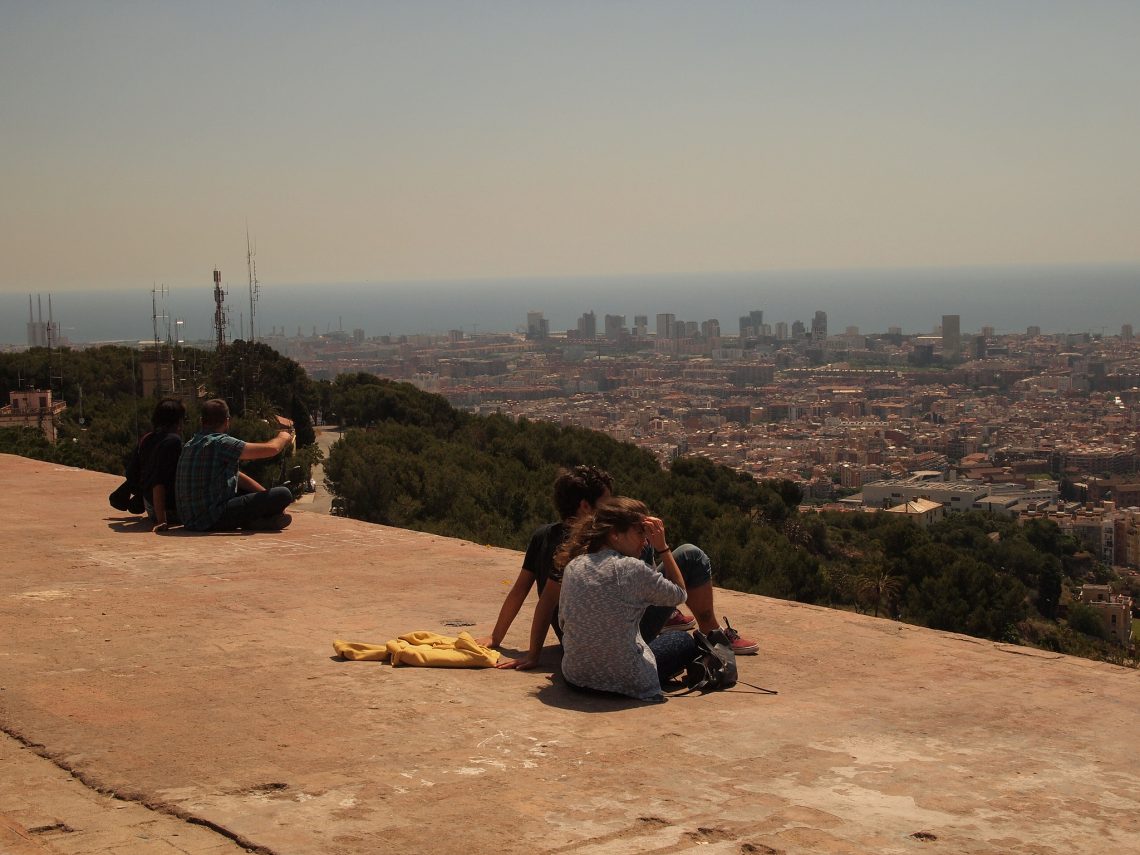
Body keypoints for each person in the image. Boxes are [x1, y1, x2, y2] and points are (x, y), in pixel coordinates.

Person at [484, 466, 757, 669]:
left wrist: (499, 639)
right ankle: (713, 634)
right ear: (585, 506)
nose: (613, 506)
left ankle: (667, 614)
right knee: (690, 556)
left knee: (640, 544)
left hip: (576, 638)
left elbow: (521, 590)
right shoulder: (592, 544)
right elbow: (546, 600)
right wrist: (661, 545)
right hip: (618, 635)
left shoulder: (543, 534)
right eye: (608, 501)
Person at [552, 497, 697, 702]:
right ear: (615, 534)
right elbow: (680, 593)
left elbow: (563, 622)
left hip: (577, 676)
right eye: (640, 533)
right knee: (682, 641)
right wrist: (663, 548)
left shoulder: (574, 566)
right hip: (629, 681)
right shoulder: (630, 569)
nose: (645, 541)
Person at [175, 399, 295, 532]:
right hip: (211, 519)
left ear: (201, 421)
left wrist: (264, 494)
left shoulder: (190, 444)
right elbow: (271, 449)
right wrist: (283, 437)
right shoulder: (220, 442)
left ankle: (259, 522)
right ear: (227, 421)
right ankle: (255, 522)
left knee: (250, 491)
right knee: (283, 494)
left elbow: (237, 476)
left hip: (190, 518)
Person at [140, 397, 186, 533]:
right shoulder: (173, 441)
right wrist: (162, 521)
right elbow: (159, 481)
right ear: (177, 421)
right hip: (164, 510)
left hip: (148, 504)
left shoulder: (147, 438)